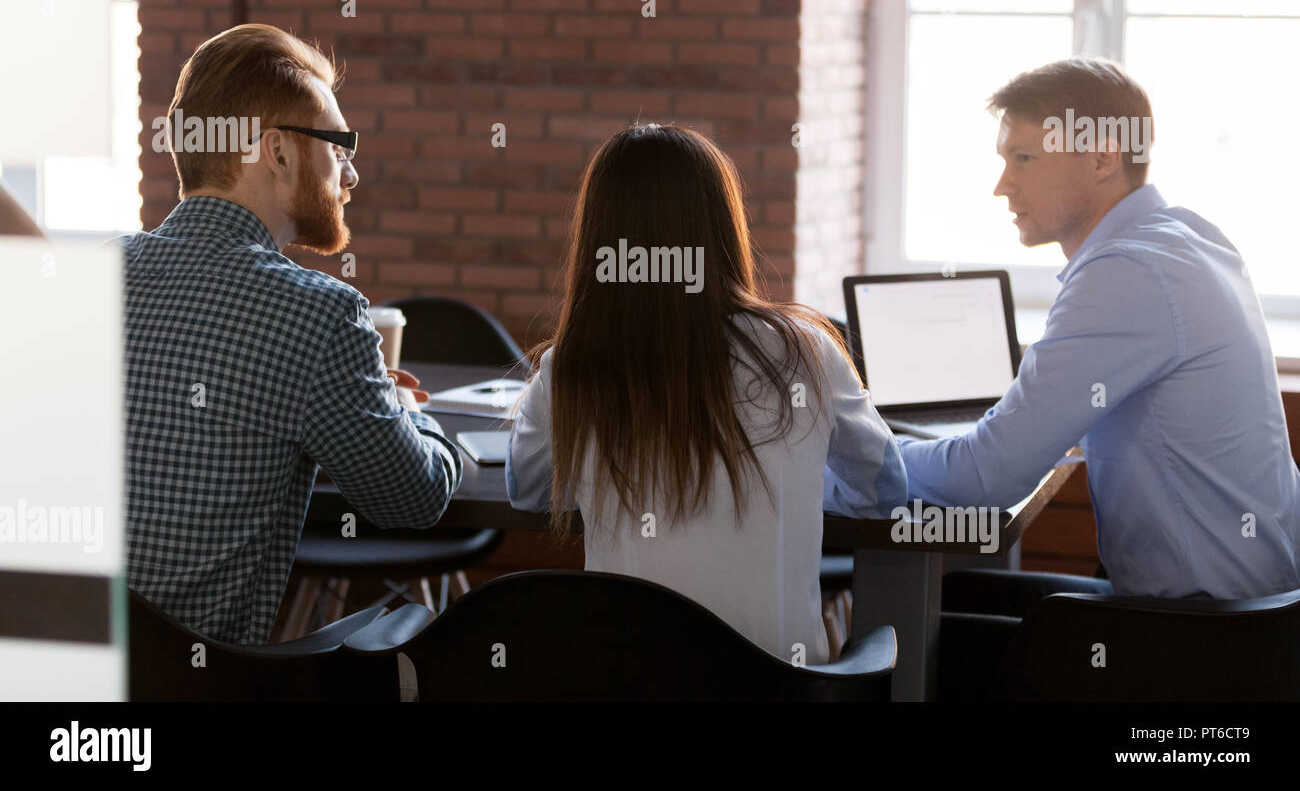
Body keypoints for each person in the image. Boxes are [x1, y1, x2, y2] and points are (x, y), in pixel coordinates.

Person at [899, 58, 1300, 693]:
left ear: (1101, 155)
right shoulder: (1191, 239)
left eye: (1024, 158)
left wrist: (846, 455)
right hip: (1262, 620)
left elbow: (987, 477)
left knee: (911, 642)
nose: (1002, 185)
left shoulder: (1127, 272)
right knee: (964, 592)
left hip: (1204, 643)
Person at [506, 124, 907, 666]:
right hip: (783, 687)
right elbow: (885, 489)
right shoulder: (807, 350)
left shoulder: (571, 366)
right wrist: (799, 482)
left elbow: (526, 491)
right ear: (721, 225)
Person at [112, 23, 461, 644]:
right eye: (339, 146)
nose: (349, 176)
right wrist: (408, 411)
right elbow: (412, 499)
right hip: (206, 692)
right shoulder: (318, 315)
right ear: (277, 152)